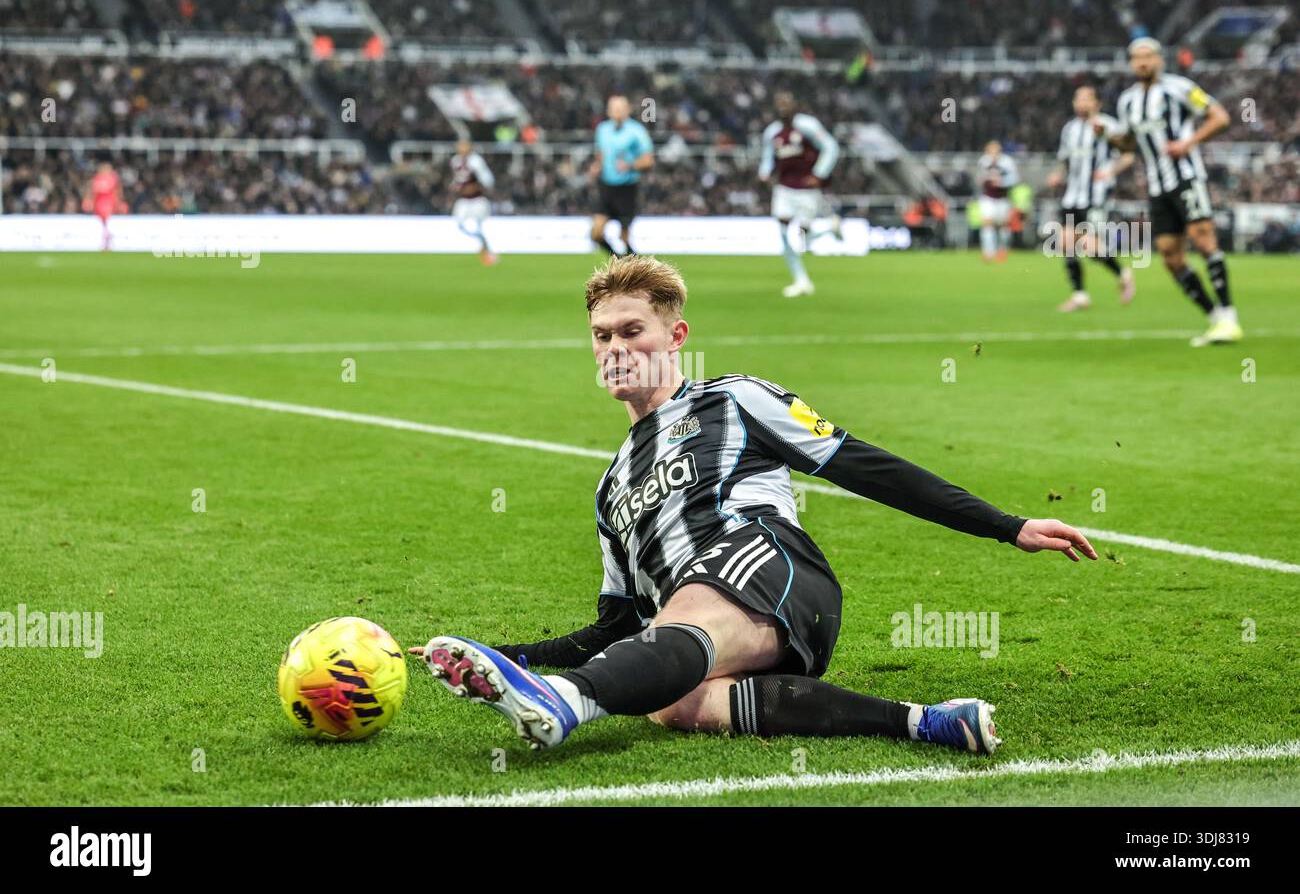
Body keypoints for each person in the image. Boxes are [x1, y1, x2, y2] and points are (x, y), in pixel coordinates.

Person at [413, 255, 1097, 754]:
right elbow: (615, 629)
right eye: (602, 336)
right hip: (707, 627)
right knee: (672, 702)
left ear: (675, 338)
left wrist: (1008, 527)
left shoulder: (732, 400)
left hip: (774, 569)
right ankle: (925, 721)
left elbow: (865, 467)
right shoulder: (610, 488)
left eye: (632, 331)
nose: (616, 349)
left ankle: (566, 703)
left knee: (676, 622)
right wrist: (502, 657)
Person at [1104, 37, 1239, 346]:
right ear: (1130, 63)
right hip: (1157, 186)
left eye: (1148, 56)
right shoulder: (1127, 101)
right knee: (1170, 257)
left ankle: (1230, 317)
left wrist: (1188, 143)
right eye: (1137, 58)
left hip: (1187, 178)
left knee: (1204, 241)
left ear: (1160, 60)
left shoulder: (1179, 87)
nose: (1143, 62)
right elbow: (1129, 142)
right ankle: (1215, 318)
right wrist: (1109, 138)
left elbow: (1220, 117)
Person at [1046, 85, 1136, 311]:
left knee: (1088, 245)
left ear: (1097, 103)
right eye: (1078, 99)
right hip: (1072, 196)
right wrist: (1058, 174)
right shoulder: (1070, 129)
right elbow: (1064, 159)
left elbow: (1128, 155)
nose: (1082, 104)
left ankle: (1122, 273)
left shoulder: (1108, 125)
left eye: (1087, 99)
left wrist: (1110, 172)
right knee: (1066, 244)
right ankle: (1079, 295)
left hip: (1096, 195)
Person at [757, 91, 840, 297]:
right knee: (785, 234)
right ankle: (801, 280)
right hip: (784, 188)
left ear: (794, 105)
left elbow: (831, 147)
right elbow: (768, 157)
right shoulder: (772, 133)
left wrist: (819, 173)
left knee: (803, 239)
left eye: (786, 103)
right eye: (779, 104)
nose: (783, 107)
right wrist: (765, 173)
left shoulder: (808, 125)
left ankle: (830, 228)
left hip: (806, 190)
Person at [590, 94, 654, 257]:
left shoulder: (637, 131)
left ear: (628, 110)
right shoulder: (602, 130)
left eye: (620, 108)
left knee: (624, 236)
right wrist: (597, 165)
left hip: (627, 188)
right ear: (608, 111)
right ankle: (619, 260)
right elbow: (601, 153)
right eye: (613, 108)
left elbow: (648, 160)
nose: (617, 112)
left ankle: (632, 262)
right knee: (596, 233)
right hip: (606, 186)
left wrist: (630, 165)